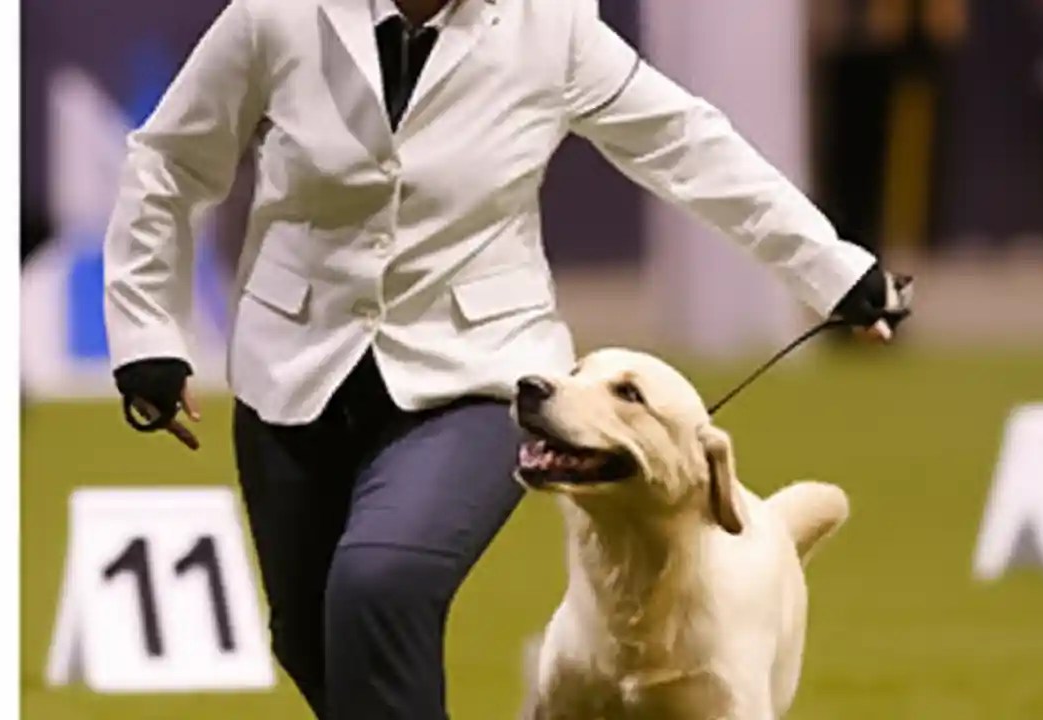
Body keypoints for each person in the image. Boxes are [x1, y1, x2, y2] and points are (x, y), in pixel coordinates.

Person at [103, 0, 908, 717]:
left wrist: (834, 269)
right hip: (293, 368)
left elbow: (685, 143)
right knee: (313, 640)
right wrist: (147, 337)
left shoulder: (551, 23)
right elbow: (169, 160)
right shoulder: (273, 14)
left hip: (483, 370)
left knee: (381, 583)